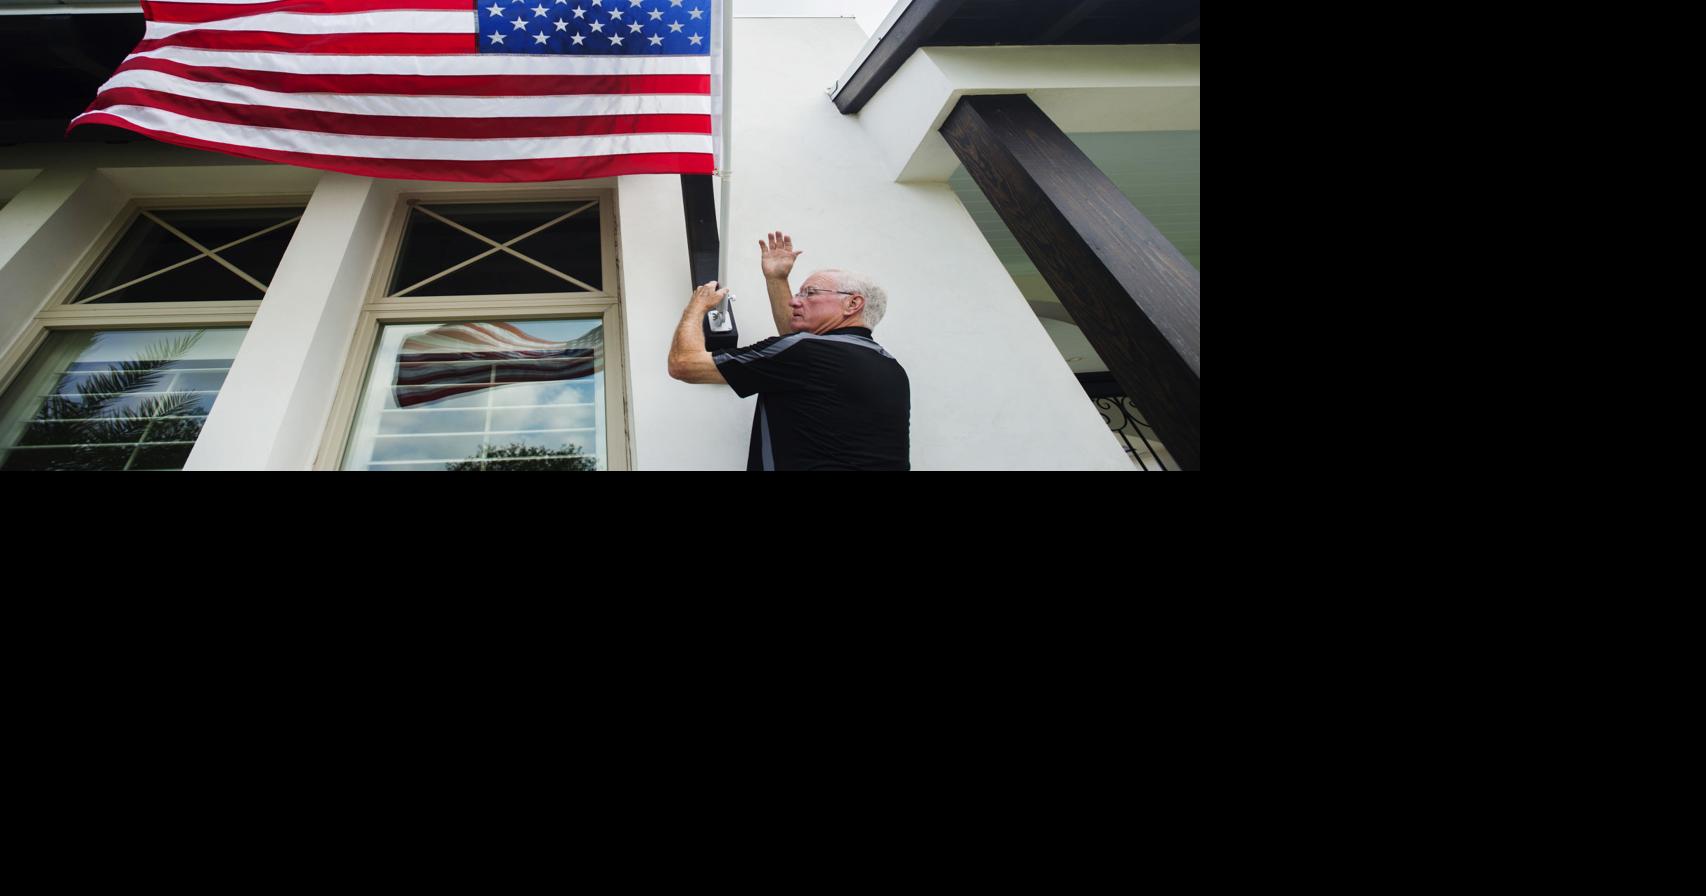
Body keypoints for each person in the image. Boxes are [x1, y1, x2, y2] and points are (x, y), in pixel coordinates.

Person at [668, 231, 910, 471]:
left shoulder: (805, 352)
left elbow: (684, 364)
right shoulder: (892, 367)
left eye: (810, 293)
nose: (795, 301)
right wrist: (776, 279)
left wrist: (697, 306)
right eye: (798, 294)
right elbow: (797, 352)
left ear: (852, 304)